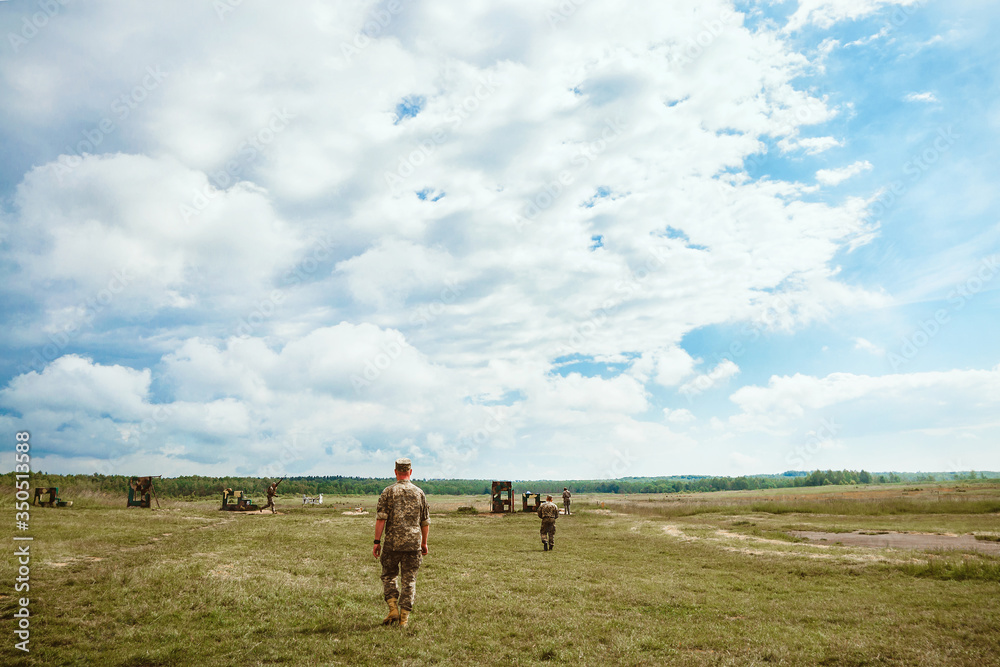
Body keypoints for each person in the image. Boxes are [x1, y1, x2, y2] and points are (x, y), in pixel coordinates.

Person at [373, 458, 429, 628]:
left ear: (396, 472)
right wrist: (424, 543)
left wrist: (377, 542)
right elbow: (425, 522)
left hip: (392, 543)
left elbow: (381, 519)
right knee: (409, 580)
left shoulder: (388, 492)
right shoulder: (419, 493)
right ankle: (404, 619)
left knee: (389, 576)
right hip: (413, 544)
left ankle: (392, 609)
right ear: (410, 472)